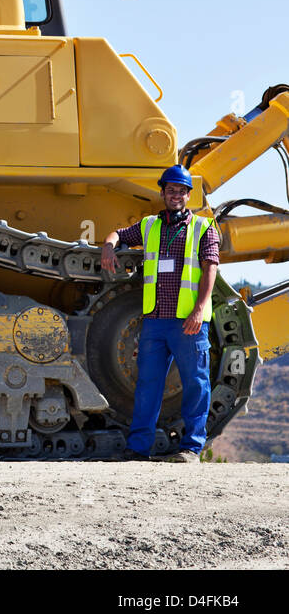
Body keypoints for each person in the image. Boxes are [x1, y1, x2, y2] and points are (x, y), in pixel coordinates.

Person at [100, 165, 219, 463]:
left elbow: (210, 269)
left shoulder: (204, 228)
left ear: (188, 195)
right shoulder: (150, 225)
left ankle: (191, 448)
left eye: (181, 191)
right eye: (170, 190)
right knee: (147, 386)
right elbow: (118, 233)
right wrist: (108, 246)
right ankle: (138, 448)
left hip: (188, 322)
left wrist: (199, 309)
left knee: (196, 383)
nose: (175, 195)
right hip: (155, 321)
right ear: (163, 193)